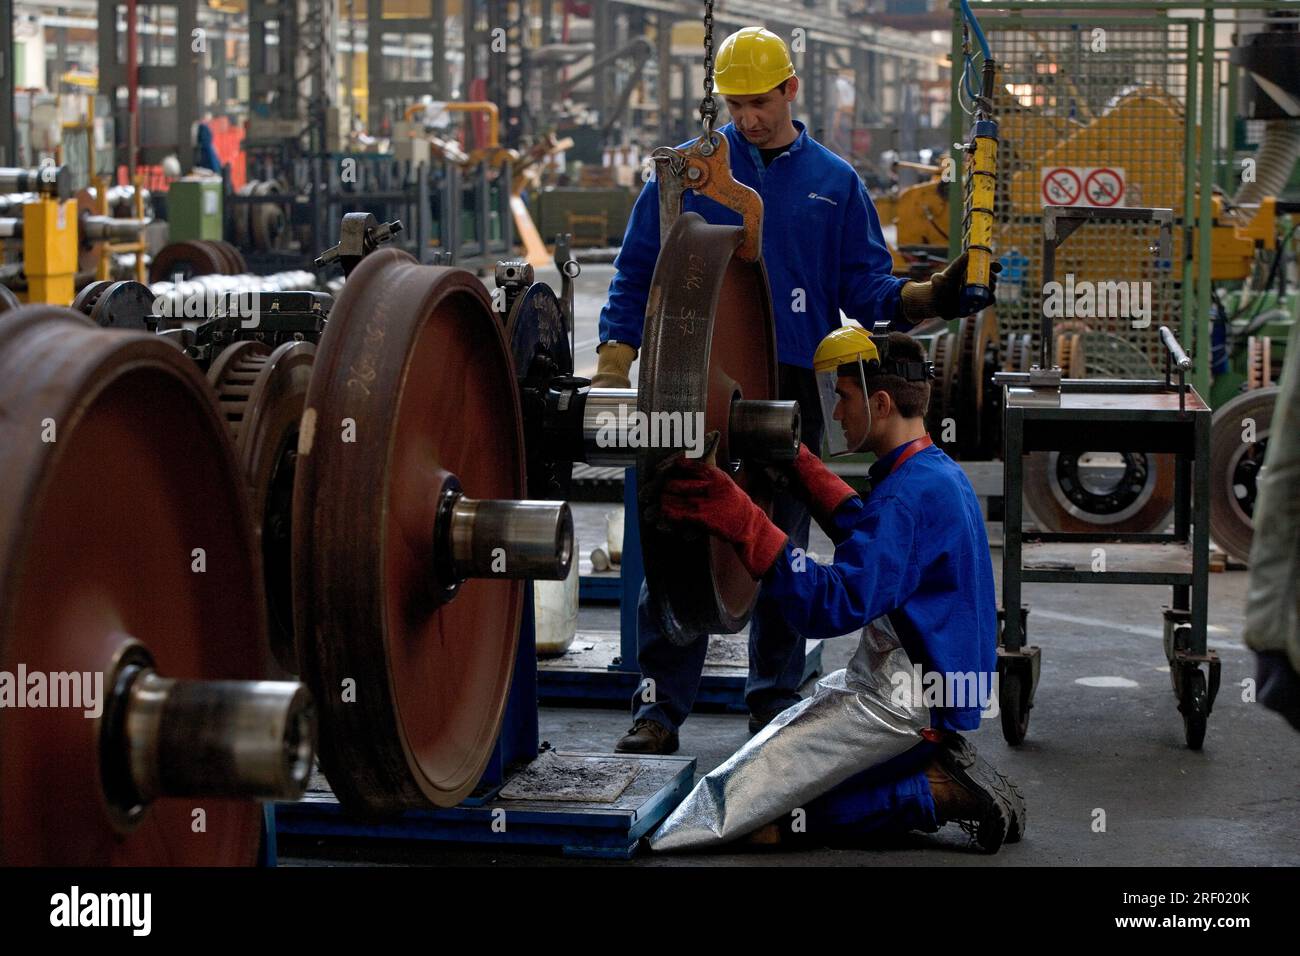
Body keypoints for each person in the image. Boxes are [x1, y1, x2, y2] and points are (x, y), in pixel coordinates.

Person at [596, 26, 983, 754]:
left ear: (791, 90)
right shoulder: (688, 174)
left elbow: (866, 292)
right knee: (672, 539)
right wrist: (616, 366)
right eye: (736, 105)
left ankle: (772, 701)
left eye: (762, 103)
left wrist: (931, 294)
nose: (748, 119)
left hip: (792, 387)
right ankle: (659, 708)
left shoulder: (833, 184)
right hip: (690, 387)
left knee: (781, 543)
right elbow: (638, 270)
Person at [651, 329, 1025, 852]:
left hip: (905, 700)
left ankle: (938, 790)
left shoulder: (908, 498)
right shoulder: (934, 473)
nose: (837, 412)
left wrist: (744, 521)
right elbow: (878, 546)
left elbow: (831, 604)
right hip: (933, 685)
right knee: (772, 753)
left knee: (733, 807)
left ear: (881, 402)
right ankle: (923, 771)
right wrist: (801, 467)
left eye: (843, 398)